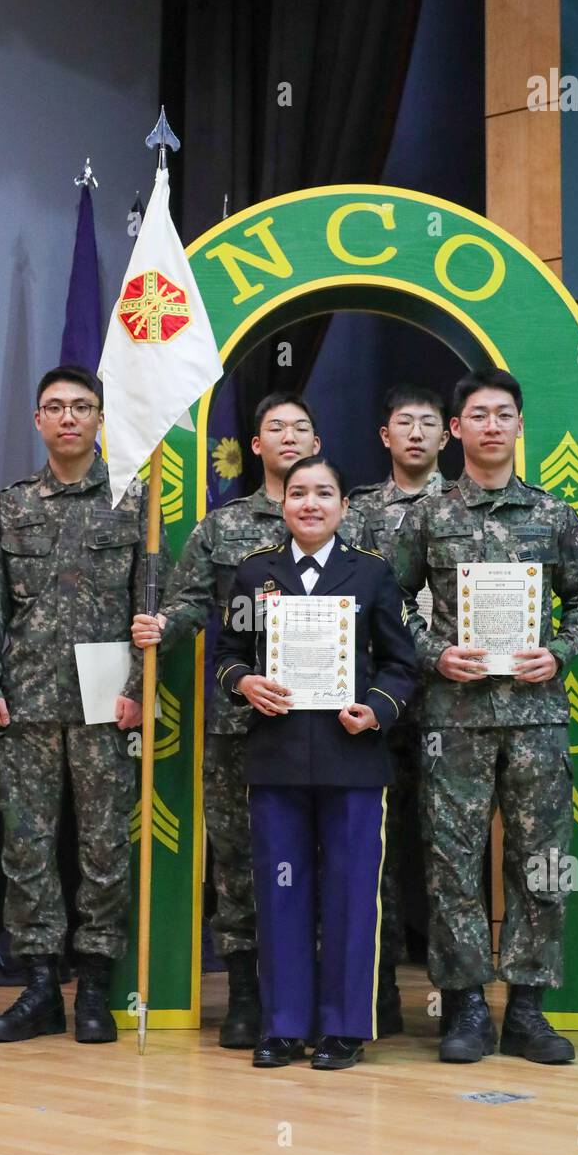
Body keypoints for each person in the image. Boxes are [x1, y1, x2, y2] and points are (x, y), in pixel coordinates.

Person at [132, 392, 371, 1047]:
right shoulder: (224, 526)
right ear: (256, 445)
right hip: (246, 726)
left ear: (317, 443)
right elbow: (188, 605)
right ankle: (248, 991)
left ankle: (337, 1004)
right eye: (274, 428)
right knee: (245, 860)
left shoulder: (345, 521)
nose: (288, 436)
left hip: (334, 729)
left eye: (301, 426)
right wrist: (163, 625)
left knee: (338, 863)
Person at [394, 369, 578, 1065]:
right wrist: (432, 652)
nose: (491, 426)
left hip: (535, 717)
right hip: (450, 718)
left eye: (504, 415)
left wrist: (558, 650)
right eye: (478, 415)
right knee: (450, 864)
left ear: (520, 427)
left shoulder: (553, 514)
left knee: (541, 863)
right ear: (454, 429)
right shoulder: (426, 516)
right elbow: (387, 607)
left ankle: (526, 1009)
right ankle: (462, 1009)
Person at [0, 365, 167, 1044]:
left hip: (103, 702)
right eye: (53, 407)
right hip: (25, 701)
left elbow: (152, 604)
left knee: (105, 848)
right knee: (26, 848)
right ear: (37, 420)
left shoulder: (134, 499)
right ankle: (37, 988)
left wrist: (142, 690)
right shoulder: (14, 503)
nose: (67, 418)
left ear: (99, 419)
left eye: (81, 407)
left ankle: (93, 986)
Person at [212, 454, 417, 1069]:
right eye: (298, 493)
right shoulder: (254, 574)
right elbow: (224, 654)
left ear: (343, 506)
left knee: (353, 894)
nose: (310, 504)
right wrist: (244, 683)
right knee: (282, 893)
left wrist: (376, 708)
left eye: (324, 493)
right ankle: (282, 1024)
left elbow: (401, 663)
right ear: (283, 504)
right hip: (276, 759)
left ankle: (345, 1027)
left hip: (352, 757)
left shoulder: (372, 575)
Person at [348, 383, 449, 1032]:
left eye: (428, 423)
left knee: (449, 853)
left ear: (447, 436)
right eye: (403, 424)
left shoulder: (472, 507)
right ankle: (376, 991)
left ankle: (452, 995)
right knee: (374, 851)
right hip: (375, 702)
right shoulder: (355, 512)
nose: (415, 433)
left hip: (453, 700)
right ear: (384, 436)